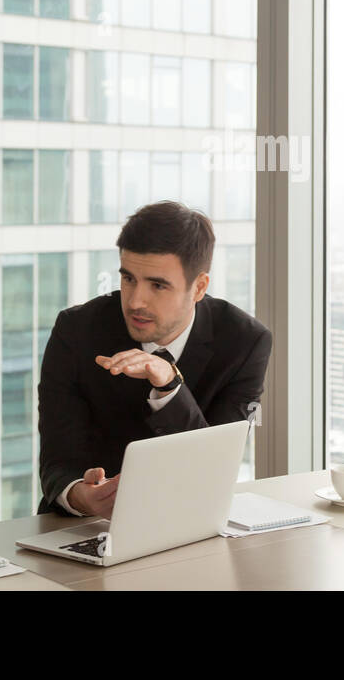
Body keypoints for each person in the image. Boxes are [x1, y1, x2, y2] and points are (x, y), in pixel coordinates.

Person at [37, 201, 272, 519]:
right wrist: (79, 495)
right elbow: (58, 456)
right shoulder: (77, 330)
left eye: (158, 285)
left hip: (189, 523)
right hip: (87, 527)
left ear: (199, 287)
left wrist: (170, 386)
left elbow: (213, 467)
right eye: (128, 279)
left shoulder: (244, 341)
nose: (135, 301)